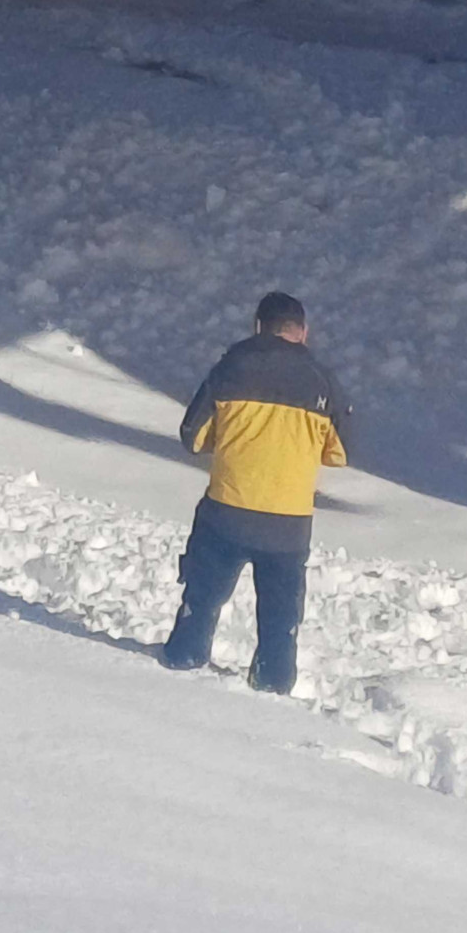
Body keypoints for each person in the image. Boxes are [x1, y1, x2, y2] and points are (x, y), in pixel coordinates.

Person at [161, 291, 352, 695]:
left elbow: (192, 437)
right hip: (289, 524)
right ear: (302, 331)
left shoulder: (231, 367)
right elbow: (341, 452)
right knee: (281, 620)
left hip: (226, 512)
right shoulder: (323, 381)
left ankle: (183, 660)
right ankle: (273, 685)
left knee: (203, 600)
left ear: (257, 327)